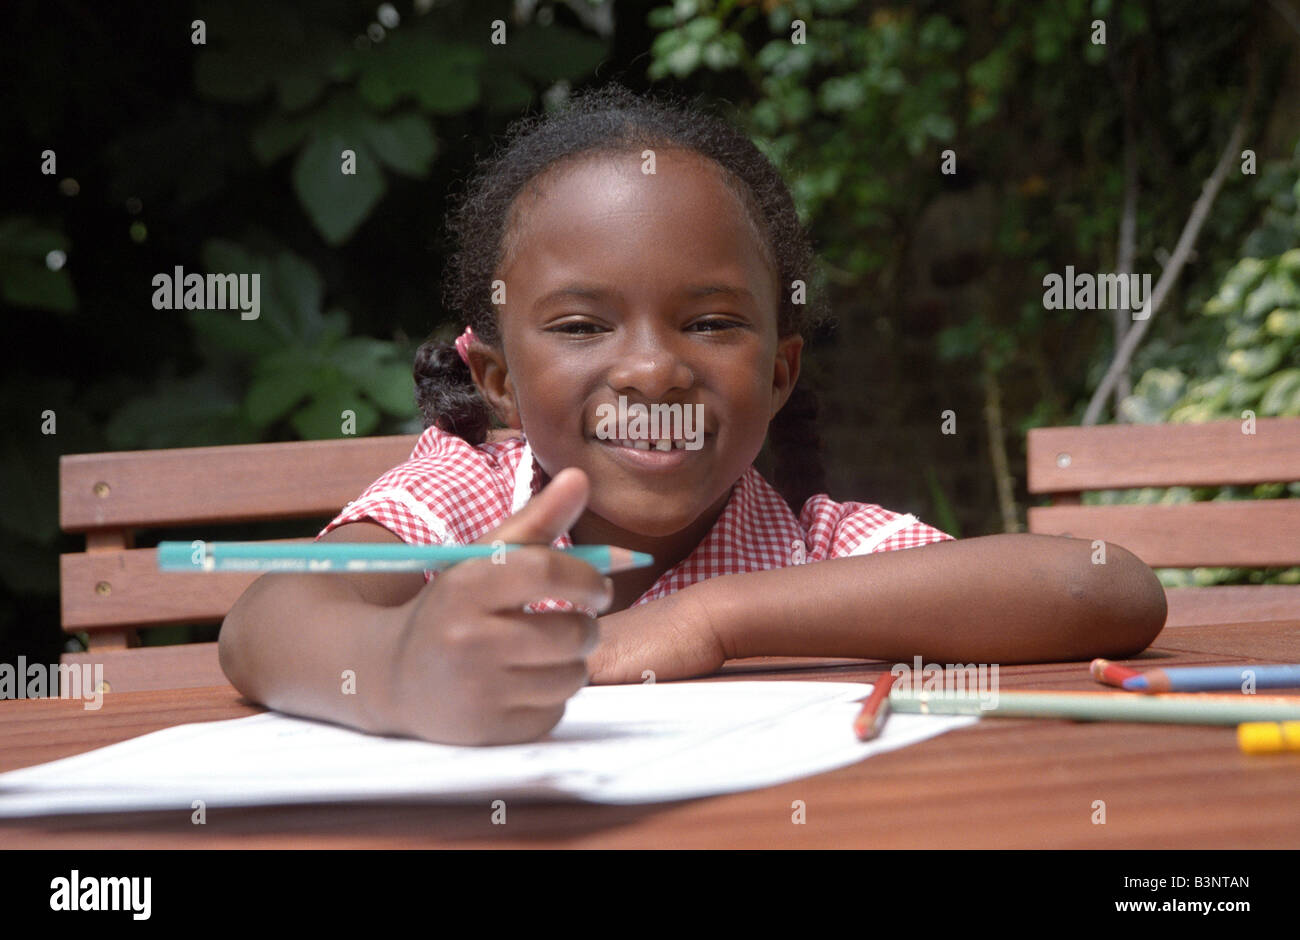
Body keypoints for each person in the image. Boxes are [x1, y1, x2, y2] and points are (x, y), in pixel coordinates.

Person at [219, 85, 1166, 746]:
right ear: (499, 380)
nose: (652, 368)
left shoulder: (807, 545)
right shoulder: (471, 500)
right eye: (583, 324)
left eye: (710, 322)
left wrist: (715, 618)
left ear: (780, 371)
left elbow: (1103, 589)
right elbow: (266, 619)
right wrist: (397, 666)